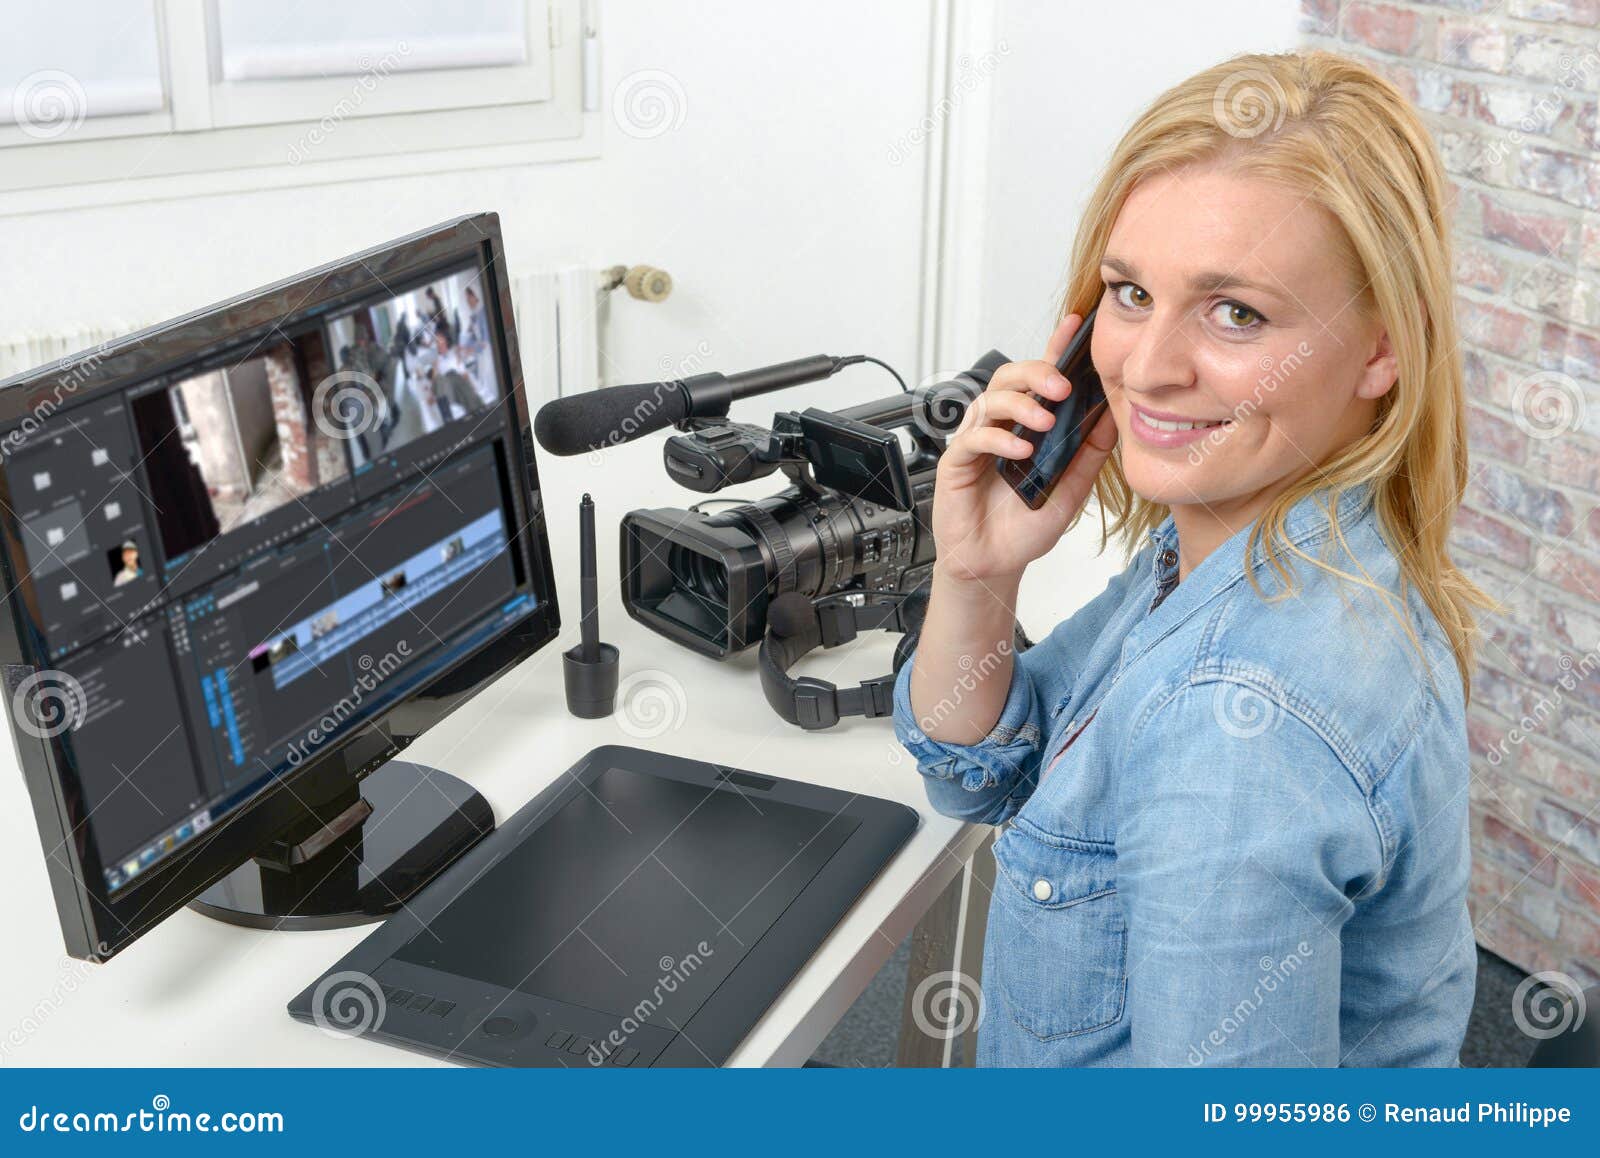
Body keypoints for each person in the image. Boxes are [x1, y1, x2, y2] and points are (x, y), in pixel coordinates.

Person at [893, 51, 1490, 1067]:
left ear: (1384, 347)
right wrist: (979, 575)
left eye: (1236, 313)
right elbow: (983, 767)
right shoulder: (1252, 547)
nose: (1148, 369)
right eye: (1128, 294)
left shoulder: (1238, 709)